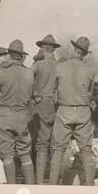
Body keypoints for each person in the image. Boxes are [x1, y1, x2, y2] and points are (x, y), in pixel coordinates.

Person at [49, 36, 97, 186]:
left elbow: (52, 91)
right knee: (86, 150)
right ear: (85, 53)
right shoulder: (90, 70)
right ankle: (89, 185)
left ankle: (52, 185)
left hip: (64, 109)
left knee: (58, 150)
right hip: (83, 111)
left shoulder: (60, 67)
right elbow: (90, 93)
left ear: (74, 49)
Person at [0, 39, 37, 184]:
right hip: (22, 116)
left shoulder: (2, 73)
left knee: (7, 154)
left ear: (9, 54)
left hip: (5, 115)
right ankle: (30, 186)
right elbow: (32, 94)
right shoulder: (29, 74)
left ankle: (11, 187)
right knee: (25, 153)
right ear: (21, 56)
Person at [30, 34, 61, 183]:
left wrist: (35, 94)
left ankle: (40, 180)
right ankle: (53, 179)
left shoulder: (37, 65)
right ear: (53, 49)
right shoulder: (59, 66)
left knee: (41, 143)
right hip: (55, 105)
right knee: (54, 143)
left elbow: (26, 79)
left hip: (39, 104)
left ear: (43, 48)